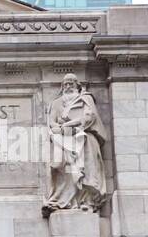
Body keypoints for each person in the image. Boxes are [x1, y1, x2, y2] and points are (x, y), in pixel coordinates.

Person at [44, 73, 106, 215]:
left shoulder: (85, 99)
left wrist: (70, 124)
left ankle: (86, 201)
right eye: (65, 84)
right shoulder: (57, 103)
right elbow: (52, 121)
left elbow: (88, 117)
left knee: (87, 169)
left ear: (77, 85)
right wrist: (57, 128)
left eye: (71, 83)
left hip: (83, 137)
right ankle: (62, 200)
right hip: (63, 138)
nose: (68, 86)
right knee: (62, 166)